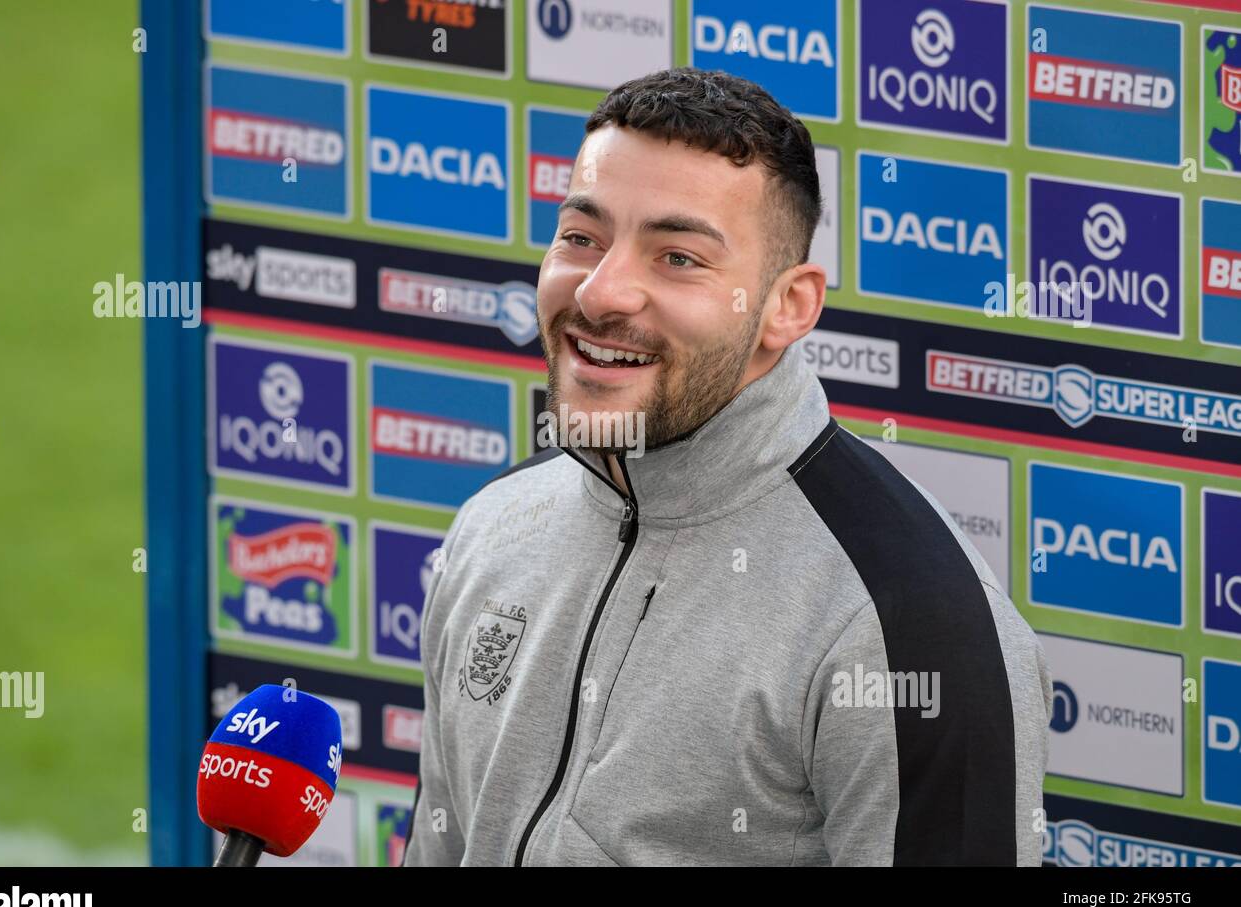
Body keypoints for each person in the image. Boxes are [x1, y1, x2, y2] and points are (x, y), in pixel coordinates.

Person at [402, 67, 1051, 866]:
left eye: (677, 257)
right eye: (581, 236)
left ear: (789, 307)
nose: (603, 293)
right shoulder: (495, 523)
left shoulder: (907, 622)